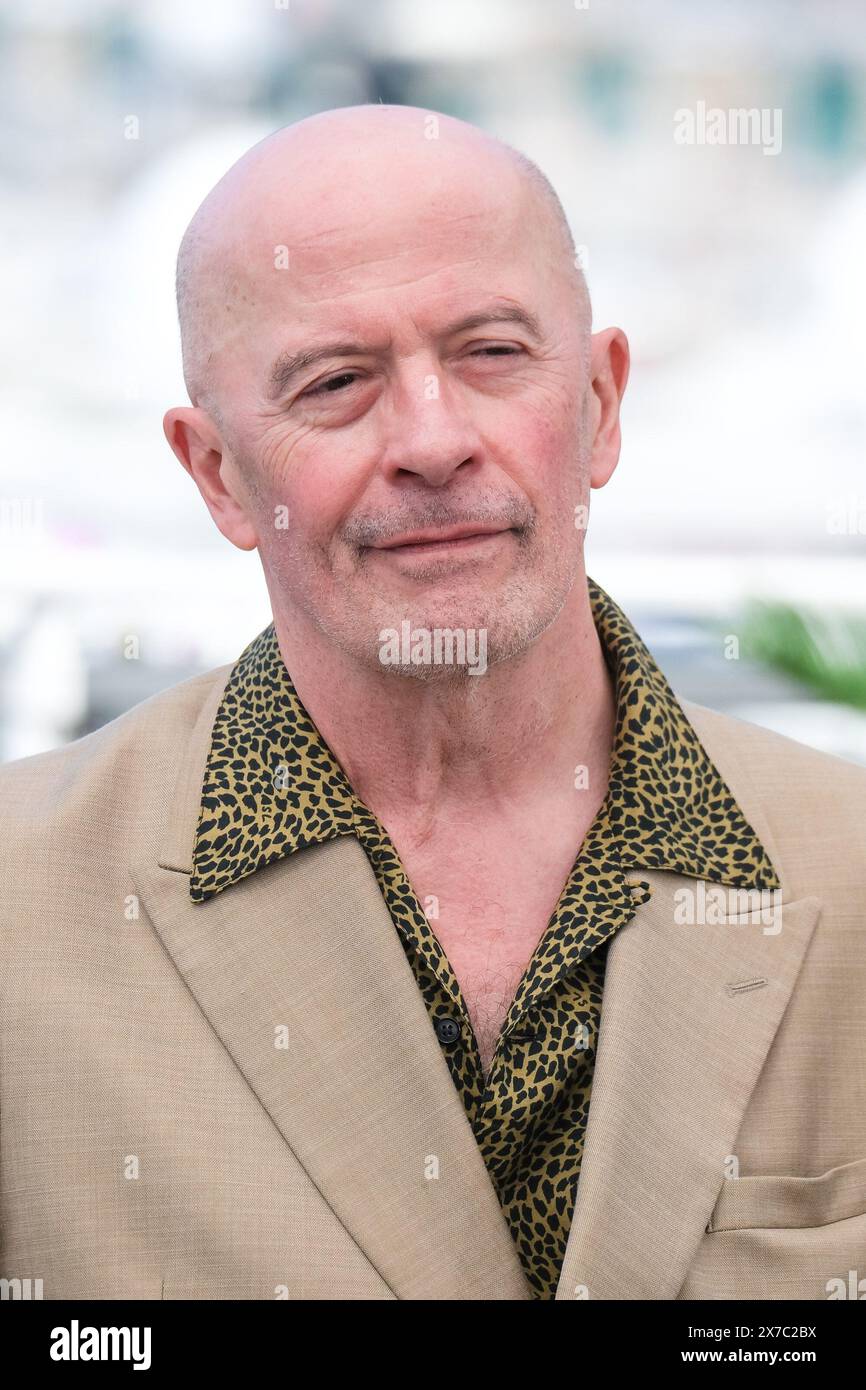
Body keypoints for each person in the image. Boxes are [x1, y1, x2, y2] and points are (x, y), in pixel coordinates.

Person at [2, 105, 864, 1302]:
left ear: (601, 404)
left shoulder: (851, 865)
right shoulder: (18, 911)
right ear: (217, 474)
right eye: (337, 380)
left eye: (492, 353)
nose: (431, 438)